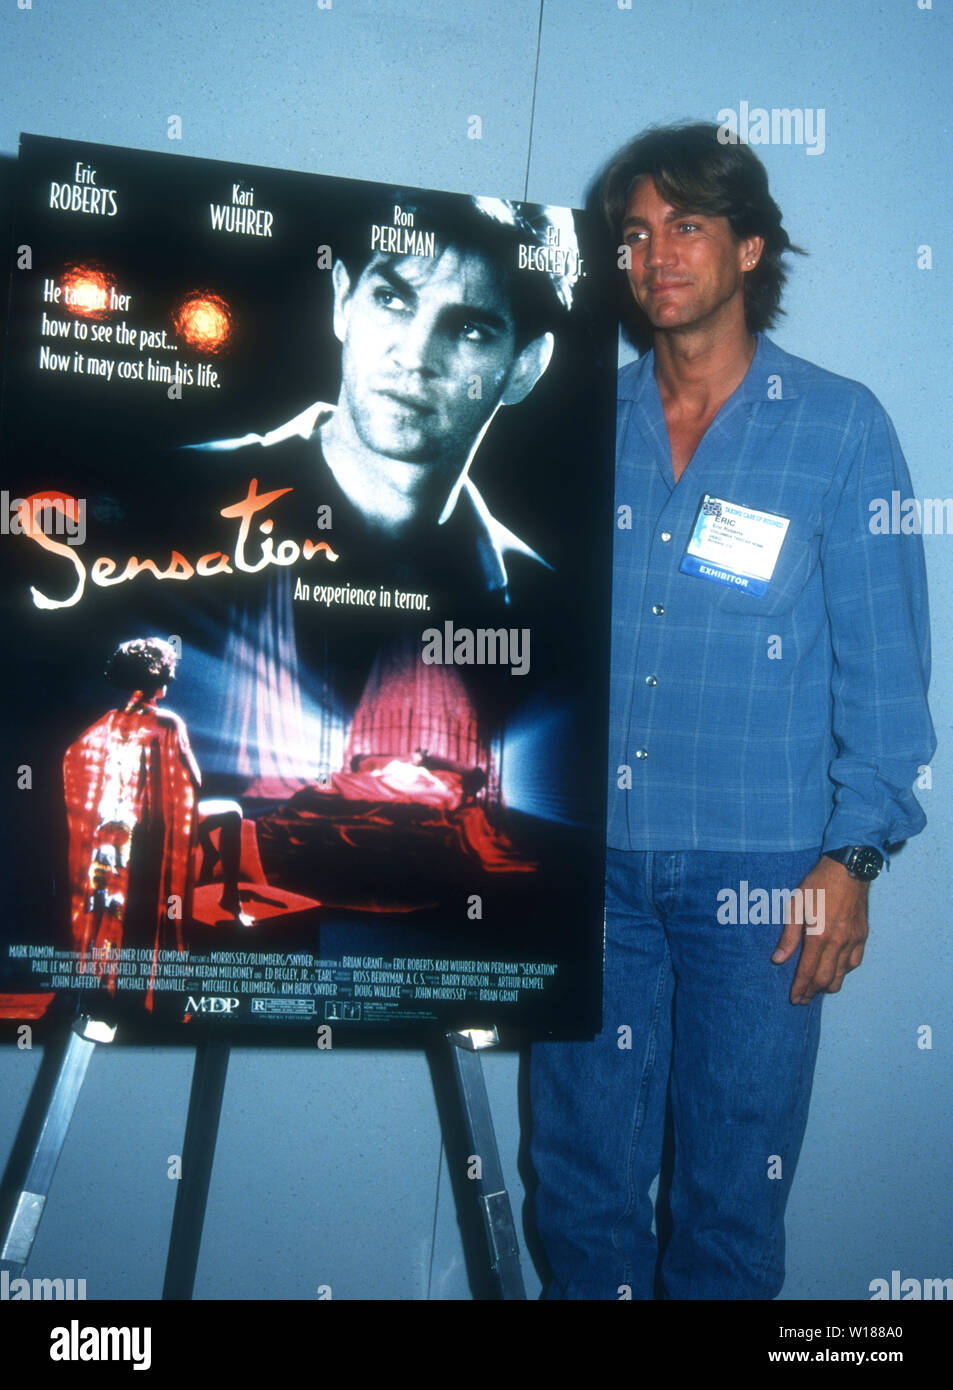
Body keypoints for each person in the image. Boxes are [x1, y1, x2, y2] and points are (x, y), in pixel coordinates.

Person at [530, 122, 936, 1299]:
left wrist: (852, 856)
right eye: (633, 235)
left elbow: (884, 671)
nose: (654, 255)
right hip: (586, 874)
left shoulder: (839, 427)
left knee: (726, 1212)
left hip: (758, 884)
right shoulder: (568, 427)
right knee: (581, 1197)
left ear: (748, 247)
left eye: (686, 226)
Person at [196, 192, 578, 604]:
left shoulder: (548, 611)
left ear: (525, 369)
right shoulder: (168, 494)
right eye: (391, 300)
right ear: (343, 301)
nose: (415, 357)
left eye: (470, 329)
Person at [64, 639, 252, 1008]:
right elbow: (194, 783)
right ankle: (232, 898)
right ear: (161, 679)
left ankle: (210, 858)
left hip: (123, 834)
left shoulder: (108, 722)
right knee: (232, 812)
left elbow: (76, 759)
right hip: (161, 832)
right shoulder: (169, 721)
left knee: (199, 817)